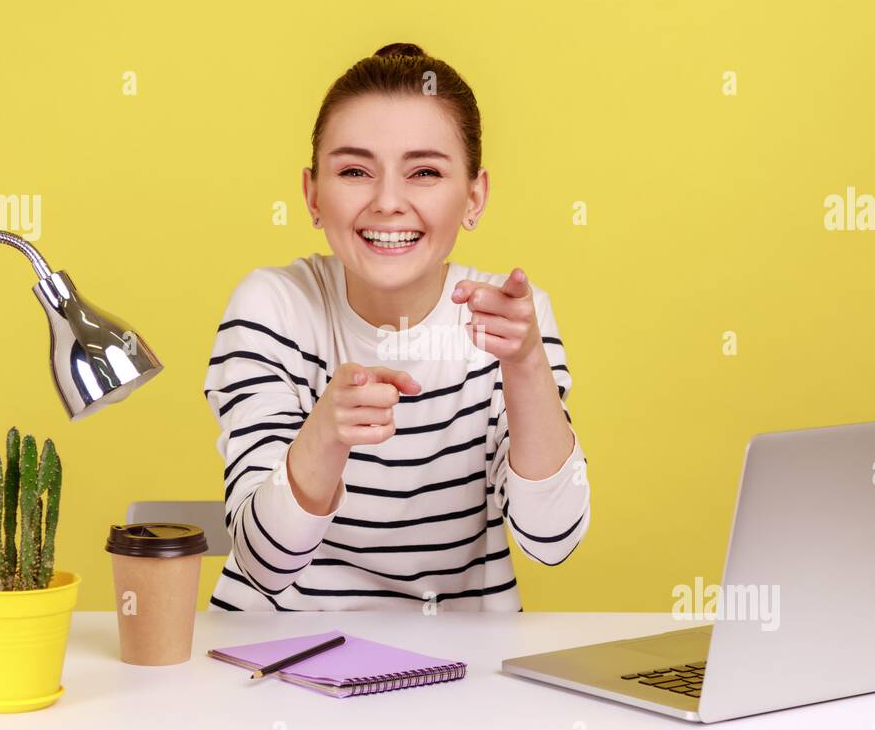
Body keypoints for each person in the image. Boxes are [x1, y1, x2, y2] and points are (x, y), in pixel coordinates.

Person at [203, 42, 590, 611]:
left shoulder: (509, 321)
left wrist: (527, 365)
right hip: (275, 665)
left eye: (425, 172)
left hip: (457, 676)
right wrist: (325, 436)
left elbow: (552, 539)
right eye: (355, 170)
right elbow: (264, 562)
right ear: (312, 194)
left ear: (474, 197)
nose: (387, 202)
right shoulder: (274, 308)